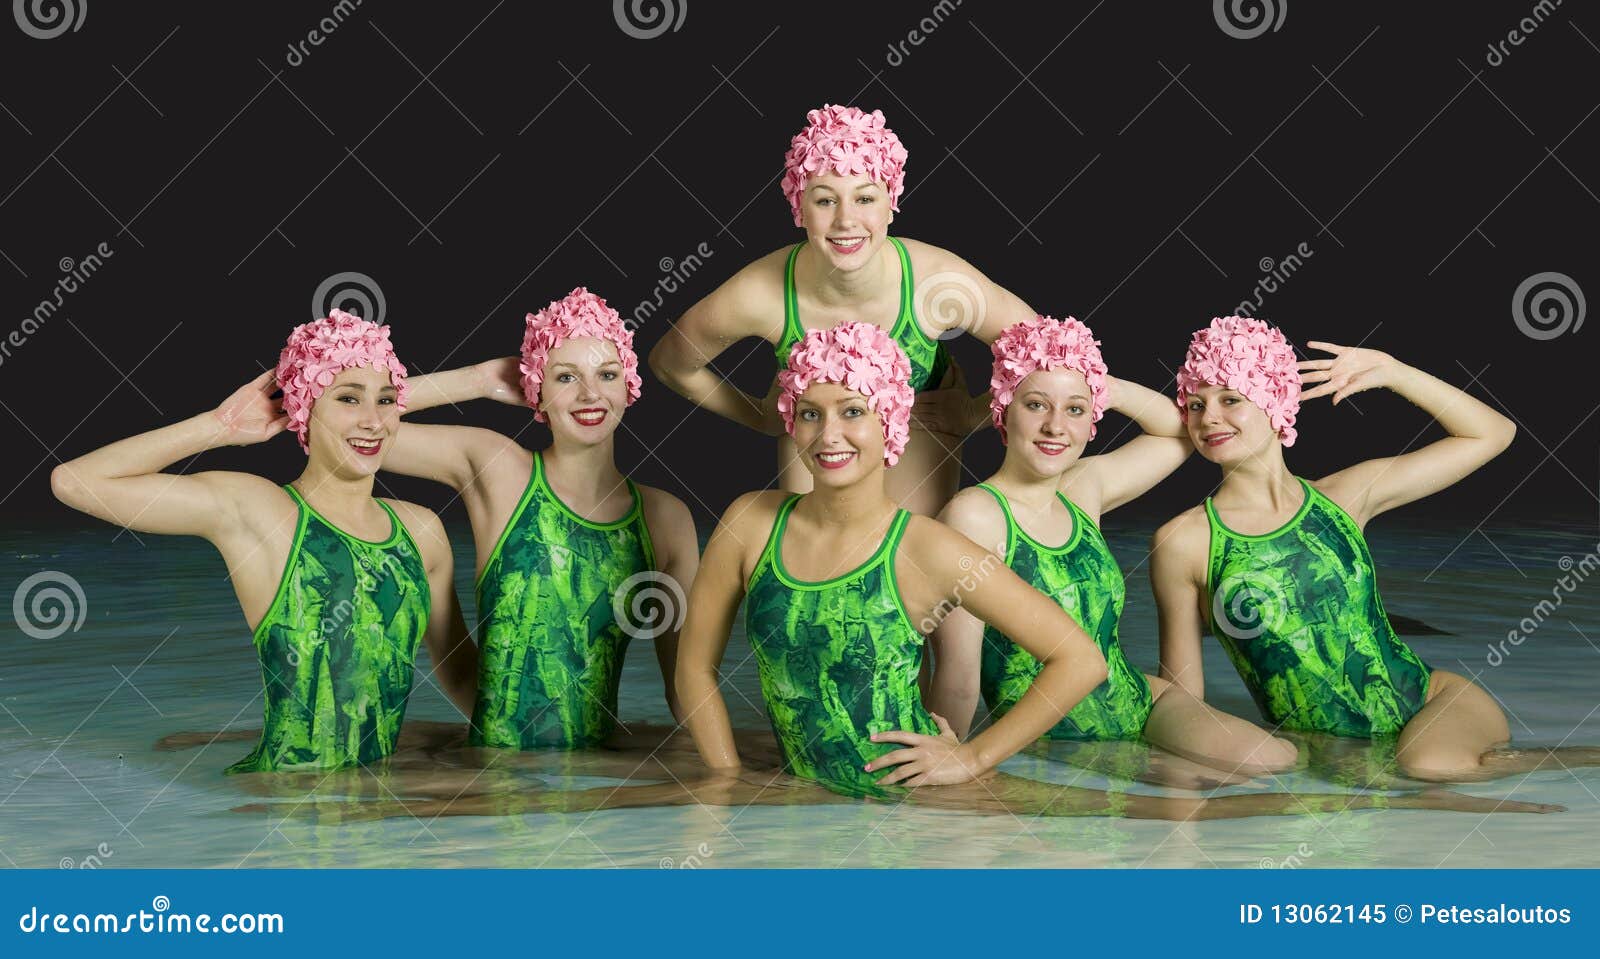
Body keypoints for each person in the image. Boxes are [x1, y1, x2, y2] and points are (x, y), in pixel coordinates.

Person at [247, 323, 1561, 822]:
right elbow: (694, 660)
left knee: (1229, 810)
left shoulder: (958, 532)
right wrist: (710, 781)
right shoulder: (763, 518)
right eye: (805, 413)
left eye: (850, 417)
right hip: (813, 775)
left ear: (891, 430)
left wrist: (977, 758)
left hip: (906, 776)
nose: (824, 433)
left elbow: (1093, 655)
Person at [1151, 316, 1600, 782]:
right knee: (1390, 786)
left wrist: (1394, 372)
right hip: (1330, 751)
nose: (1209, 419)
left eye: (1230, 400)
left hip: (1436, 704)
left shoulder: (1345, 496)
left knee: (1429, 768)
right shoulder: (1183, 541)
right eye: (1196, 405)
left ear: (1275, 400)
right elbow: (1183, 697)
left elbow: (1492, 434)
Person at [51, 311, 477, 773]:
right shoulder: (263, 512)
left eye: (387, 400)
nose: (373, 422)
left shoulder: (421, 531)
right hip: (293, 798)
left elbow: (458, 671)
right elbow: (75, 482)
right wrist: (218, 426)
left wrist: (540, 740)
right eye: (348, 399)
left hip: (374, 792)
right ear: (304, 410)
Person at [926, 316, 1296, 783]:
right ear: (1004, 410)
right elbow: (959, 676)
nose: (1056, 427)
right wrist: (952, 758)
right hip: (1049, 730)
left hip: (1142, 703)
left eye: (1076, 410)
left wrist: (1097, 382)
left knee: (1274, 761)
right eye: (1037, 404)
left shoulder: (1083, 488)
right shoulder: (975, 515)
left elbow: (1176, 431)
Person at [648, 104, 1038, 517]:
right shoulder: (759, 294)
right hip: (822, 430)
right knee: (817, 557)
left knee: (906, 557)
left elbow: (1044, 353)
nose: (846, 220)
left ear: (891, 201)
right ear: (799, 206)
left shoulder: (937, 282)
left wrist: (973, 414)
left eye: (865, 198)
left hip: (917, 424)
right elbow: (672, 364)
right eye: (825, 200)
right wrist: (761, 417)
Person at [382, 287, 701, 750]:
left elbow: (683, 692)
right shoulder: (499, 470)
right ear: (536, 389)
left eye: (607, 374)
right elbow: (342, 426)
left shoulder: (666, 519)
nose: (590, 394)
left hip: (600, 787)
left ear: (629, 386)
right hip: (493, 789)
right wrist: (479, 380)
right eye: (565, 377)